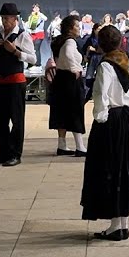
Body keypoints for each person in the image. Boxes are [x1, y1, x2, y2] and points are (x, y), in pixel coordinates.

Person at [82, 25, 129, 241]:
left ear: (100, 45)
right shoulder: (128, 61)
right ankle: (122, 225)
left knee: (108, 169)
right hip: (127, 120)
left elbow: (101, 94)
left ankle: (114, 226)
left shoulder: (105, 66)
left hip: (109, 121)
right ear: (120, 42)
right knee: (124, 168)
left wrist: (100, 117)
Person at [0, 3, 37, 166]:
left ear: (15, 19)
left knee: (16, 120)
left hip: (15, 83)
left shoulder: (23, 35)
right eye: (2, 18)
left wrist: (15, 51)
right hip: (0, 81)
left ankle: (15, 153)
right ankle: (4, 151)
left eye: (6, 18)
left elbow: (33, 59)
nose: (4, 21)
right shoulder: (0, 34)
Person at [48, 14, 87, 156]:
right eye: (77, 26)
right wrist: (75, 69)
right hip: (70, 80)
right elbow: (70, 55)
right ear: (70, 29)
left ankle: (62, 145)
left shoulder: (59, 40)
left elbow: (60, 57)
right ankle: (80, 146)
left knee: (61, 111)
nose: (79, 28)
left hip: (60, 79)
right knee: (75, 110)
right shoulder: (70, 42)